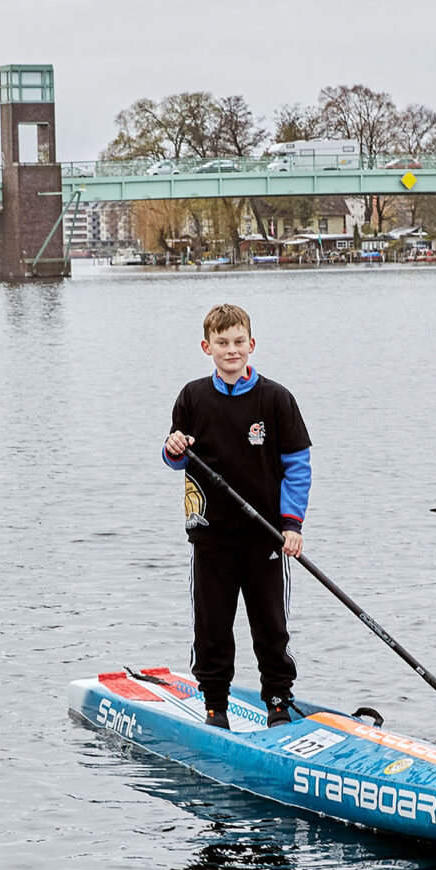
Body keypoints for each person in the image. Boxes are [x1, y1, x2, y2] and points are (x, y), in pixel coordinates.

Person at [161, 303, 312, 729]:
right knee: (212, 628)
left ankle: (279, 702)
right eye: (222, 343)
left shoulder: (276, 399)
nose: (232, 350)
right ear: (207, 347)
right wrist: (172, 447)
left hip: (265, 536)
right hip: (211, 537)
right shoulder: (192, 396)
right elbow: (176, 457)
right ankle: (215, 705)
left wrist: (291, 526)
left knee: (270, 626)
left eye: (239, 342)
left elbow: (298, 467)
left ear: (252, 344)